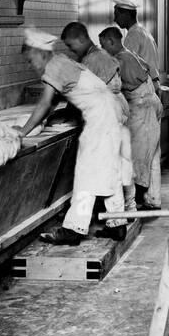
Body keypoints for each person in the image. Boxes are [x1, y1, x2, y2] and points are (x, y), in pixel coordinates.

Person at [17, 29, 129, 246]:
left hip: (99, 120)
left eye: (31, 60)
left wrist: (22, 131)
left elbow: (45, 103)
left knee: (87, 173)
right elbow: (73, 95)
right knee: (109, 169)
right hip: (110, 113)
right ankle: (117, 224)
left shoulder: (53, 67)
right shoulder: (62, 61)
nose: (32, 65)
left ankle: (73, 229)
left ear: (41, 53)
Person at [61, 20, 136, 218]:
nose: (71, 50)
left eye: (71, 45)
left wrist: (66, 113)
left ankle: (80, 221)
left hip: (108, 117)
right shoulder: (100, 55)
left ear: (82, 39)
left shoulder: (92, 60)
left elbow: (83, 92)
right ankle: (120, 216)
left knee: (96, 169)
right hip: (116, 112)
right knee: (115, 166)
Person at [99, 26, 162, 210]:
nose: (102, 49)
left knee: (135, 157)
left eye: (103, 44)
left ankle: (132, 205)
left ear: (111, 41)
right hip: (151, 103)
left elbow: (112, 87)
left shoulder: (120, 59)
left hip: (142, 108)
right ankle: (153, 199)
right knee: (152, 156)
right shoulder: (130, 54)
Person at [112, 0, 160, 88]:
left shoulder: (134, 34)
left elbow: (126, 65)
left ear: (126, 15)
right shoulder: (141, 30)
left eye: (117, 15)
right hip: (152, 83)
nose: (115, 19)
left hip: (145, 87)